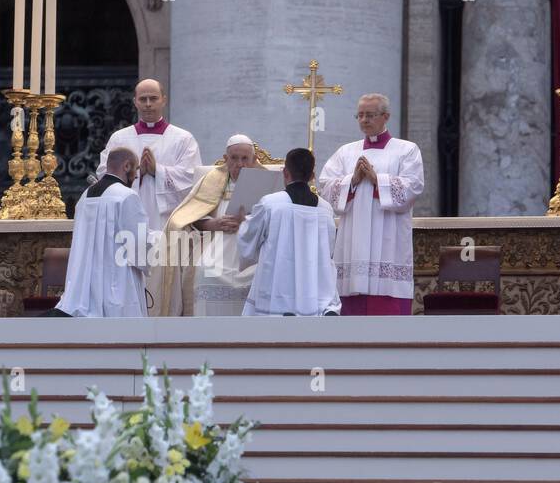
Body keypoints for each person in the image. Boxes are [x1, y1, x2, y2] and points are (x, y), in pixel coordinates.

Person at [97, 78, 201, 314]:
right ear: (135, 102)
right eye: (142, 99)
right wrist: (133, 173)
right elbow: (104, 174)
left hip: (167, 225)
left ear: (163, 100)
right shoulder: (120, 139)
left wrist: (158, 171)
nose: (148, 104)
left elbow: (193, 180)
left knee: (165, 286)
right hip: (127, 228)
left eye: (153, 98)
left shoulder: (183, 139)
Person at [318, 93, 424, 315]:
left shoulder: (406, 149)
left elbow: (413, 187)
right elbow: (325, 186)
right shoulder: (346, 152)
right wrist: (352, 181)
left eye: (370, 115)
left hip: (388, 238)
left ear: (385, 116)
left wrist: (378, 180)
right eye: (360, 115)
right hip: (352, 239)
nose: (364, 120)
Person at [158, 134, 265, 316]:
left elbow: (275, 219)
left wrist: (248, 223)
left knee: (261, 274)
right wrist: (213, 224)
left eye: (245, 158)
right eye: (234, 158)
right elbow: (187, 217)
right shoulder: (211, 180)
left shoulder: (265, 181)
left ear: (254, 160)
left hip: (253, 247)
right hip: (215, 244)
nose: (239, 164)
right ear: (225, 159)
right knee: (205, 270)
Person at [237, 148, 340, 317]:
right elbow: (328, 251)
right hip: (315, 292)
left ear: (285, 172)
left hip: (278, 292)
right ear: (312, 176)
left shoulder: (270, 204)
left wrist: (243, 223)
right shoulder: (325, 209)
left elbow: (248, 241)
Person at [53, 148, 149, 317]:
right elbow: (140, 248)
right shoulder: (127, 196)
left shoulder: (84, 197)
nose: (136, 176)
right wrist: (164, 237)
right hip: (118, 288)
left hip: (83, 290)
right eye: (136, 169)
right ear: (127, 166)